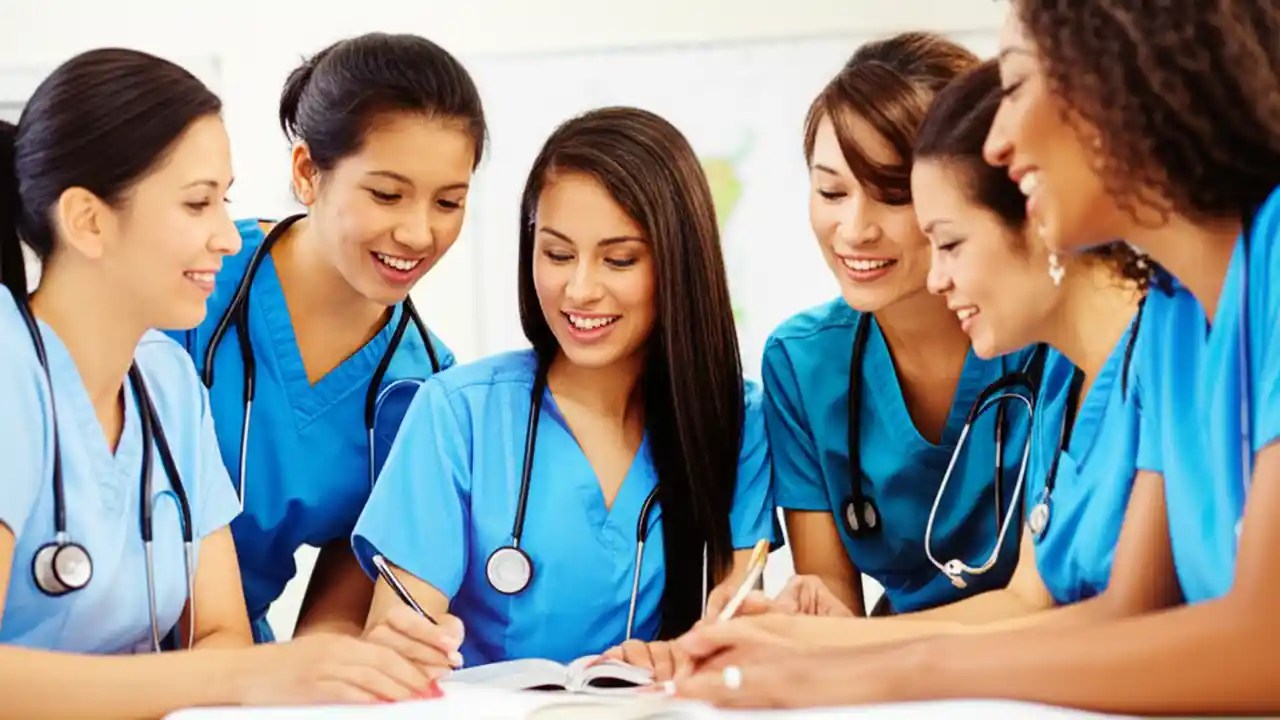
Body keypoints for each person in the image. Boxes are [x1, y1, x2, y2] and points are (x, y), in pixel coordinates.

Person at [674, 2, 1280, 714]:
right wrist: (816, 649)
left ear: (1124, 74)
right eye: (831, 189)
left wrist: (873, 671)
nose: (996, 140)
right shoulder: (1174, 314)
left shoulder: (1234, 279)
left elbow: (1257, 641)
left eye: (1017, 86)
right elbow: (1115, 613)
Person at [668, 61, 1179, 654]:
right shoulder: (1068, 384)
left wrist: (854, 655)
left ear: (1033, 207)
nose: (855, 229)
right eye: (831, 191)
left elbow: (1127, 624)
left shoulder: (1107, 354)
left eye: (947, 238)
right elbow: (1038, 602)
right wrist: (816, 641)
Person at [0, 48, 443, 718]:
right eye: (197, 203)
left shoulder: (167, 383)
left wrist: (304, 665)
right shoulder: (10, 375)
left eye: (224, 200)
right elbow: (227, 665)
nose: (228, 237)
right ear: (89, 220)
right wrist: (245, 675)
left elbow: (222, 634)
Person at [352, 107, 777, 676]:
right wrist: (405, 648)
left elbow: (739, 644)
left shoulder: (737, 423)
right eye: (556, 254)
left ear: (679, 262)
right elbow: (394, 649)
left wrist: (680, 658)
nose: (579, 289)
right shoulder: (457, 415)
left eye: (619, 259)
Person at [174, 32, 485, 644]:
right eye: (386, 194)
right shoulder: (190, 289)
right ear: (308, 172)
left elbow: (330, 624)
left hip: (241, 677)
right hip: (84, 649)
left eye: (448, 201)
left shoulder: (420, 388)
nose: (419, 233)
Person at [764, 32, 1033, 618]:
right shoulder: (802, 363)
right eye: (831, 190)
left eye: (892, 194)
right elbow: (833, 611)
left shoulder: (1045, 340)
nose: (855, 229)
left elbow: (1048, 601)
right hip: (895, 682)